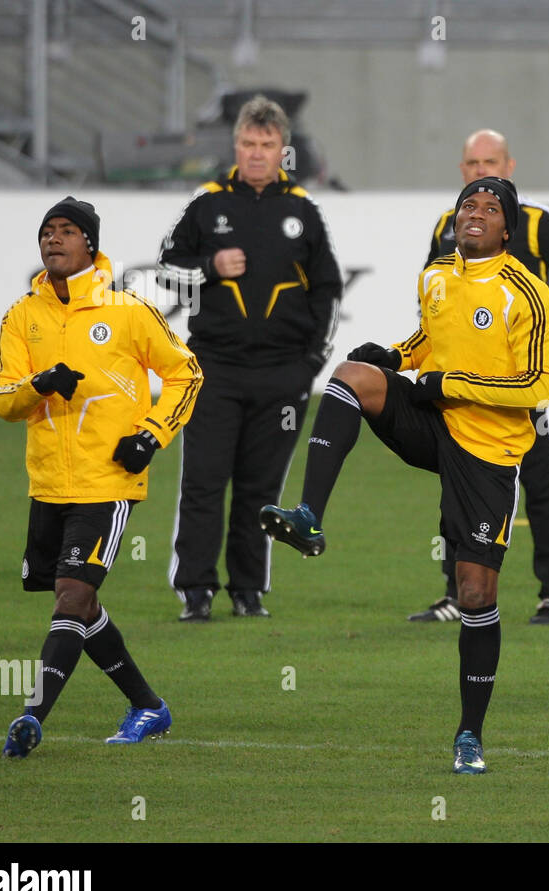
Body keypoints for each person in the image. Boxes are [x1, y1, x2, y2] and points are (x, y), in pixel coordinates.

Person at [260, 177, 549, 774]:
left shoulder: (528, 292)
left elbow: (537, 387)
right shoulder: (436, 275)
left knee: (476, 592)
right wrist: (396, 356)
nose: (475, 214)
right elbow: (431, 339)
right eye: (467, 205)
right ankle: (309, 517)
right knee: (351, 375)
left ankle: (470, 734)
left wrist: (450, 385)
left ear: (508, 227)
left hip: (489, 450)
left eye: (490, 208)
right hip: (434, 424)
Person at [0, 197, 203, 758]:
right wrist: (41, 384)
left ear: (90, 243)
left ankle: (32, 717)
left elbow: (187, 373)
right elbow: (2, 399)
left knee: (71, 595)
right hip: (49, 484)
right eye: (46, 232)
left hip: (108, 481)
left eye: (66, 231)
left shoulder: (128, 310)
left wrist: (151, 435)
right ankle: (148, 705)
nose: (53, 240)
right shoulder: (21, 316)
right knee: (78, 606)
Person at [398, 128, 549, 626]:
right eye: (472, 163)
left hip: (519, 380)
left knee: (543, 483)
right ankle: (455, 593)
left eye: (490, 160)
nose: (481, 170)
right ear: (462, 169)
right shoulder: (450, 223)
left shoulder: (533, 219)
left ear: (510, 165)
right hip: (460, 390)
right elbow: (432, 296)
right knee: (457, 487)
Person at [159, 94, 343, 622]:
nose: (257, 153)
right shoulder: (206, 203)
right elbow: (168, 270)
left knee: (261, 488)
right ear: (235, 144)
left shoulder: (303, 210)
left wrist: (311, 363)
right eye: (248, 143)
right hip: (214, 368)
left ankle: (248, 589)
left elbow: (328, 290)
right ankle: (195, 589)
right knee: (203, 481)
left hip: (284, 375)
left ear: (282, 148)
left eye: (267, 144)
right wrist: (212, 266)